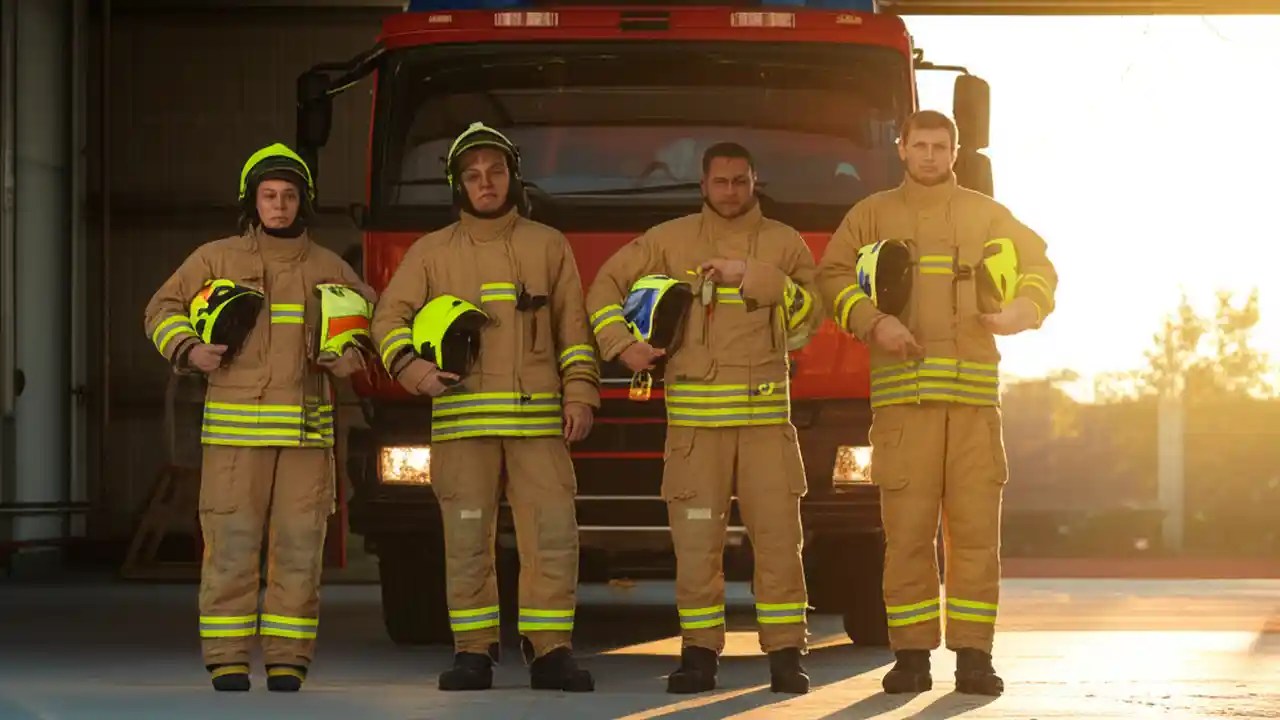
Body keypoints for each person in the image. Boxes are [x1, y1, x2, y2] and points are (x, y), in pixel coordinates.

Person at [816, 110, 1059, 696]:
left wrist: (1019, 315)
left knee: (976, 537)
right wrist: (875, 323)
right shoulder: (870, 215)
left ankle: (975, 658)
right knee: (906, 538)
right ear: (901, 149)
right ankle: (912, 658)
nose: (930, 155)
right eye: (919, 145)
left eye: (940, 146)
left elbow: (1041, 270)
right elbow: (830, 278)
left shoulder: (987, 214)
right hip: (903, 412)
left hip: (974, 413)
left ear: (954, 152)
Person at [370, 122, 599, 693]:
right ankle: (473, 652)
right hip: (462, 422)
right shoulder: (430, 253)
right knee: (467, 537)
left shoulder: (548, 245)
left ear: (512, 177)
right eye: (473, 175)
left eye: (496, 172)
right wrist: (412, 369)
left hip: (539, 423)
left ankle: (551, 652)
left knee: (550, 536)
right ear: (458, 186)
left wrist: (581, 392)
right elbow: (385, 321)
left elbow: (574, 328)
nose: (486, 183)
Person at [585, 142, 821, 695]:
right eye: (722, 182)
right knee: (695, 548)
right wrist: (622, 346)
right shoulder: (669, 240)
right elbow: (603, 287)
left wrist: (750, 274)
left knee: (780, 542)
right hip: (694, 430)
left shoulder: (784, 244)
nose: (732, 192)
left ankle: (786, 655)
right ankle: (698, 657)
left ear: (755, 181)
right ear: (703, 185)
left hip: (765, 426)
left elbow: (811, 317)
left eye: (742, 181)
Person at [143, 143, 374, 692]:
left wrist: (350, 358)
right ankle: (226, 657)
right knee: (231, 546)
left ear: (304, 203)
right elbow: (160, 309)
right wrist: (187, 350)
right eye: (268, 196)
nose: (279, 206)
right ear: (252, 201)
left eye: (289, 196)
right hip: (235, 441)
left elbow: (367, 326)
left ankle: (288, 658)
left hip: (304, 442)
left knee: (299, 550)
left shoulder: (328, 266)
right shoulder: (214, 258)